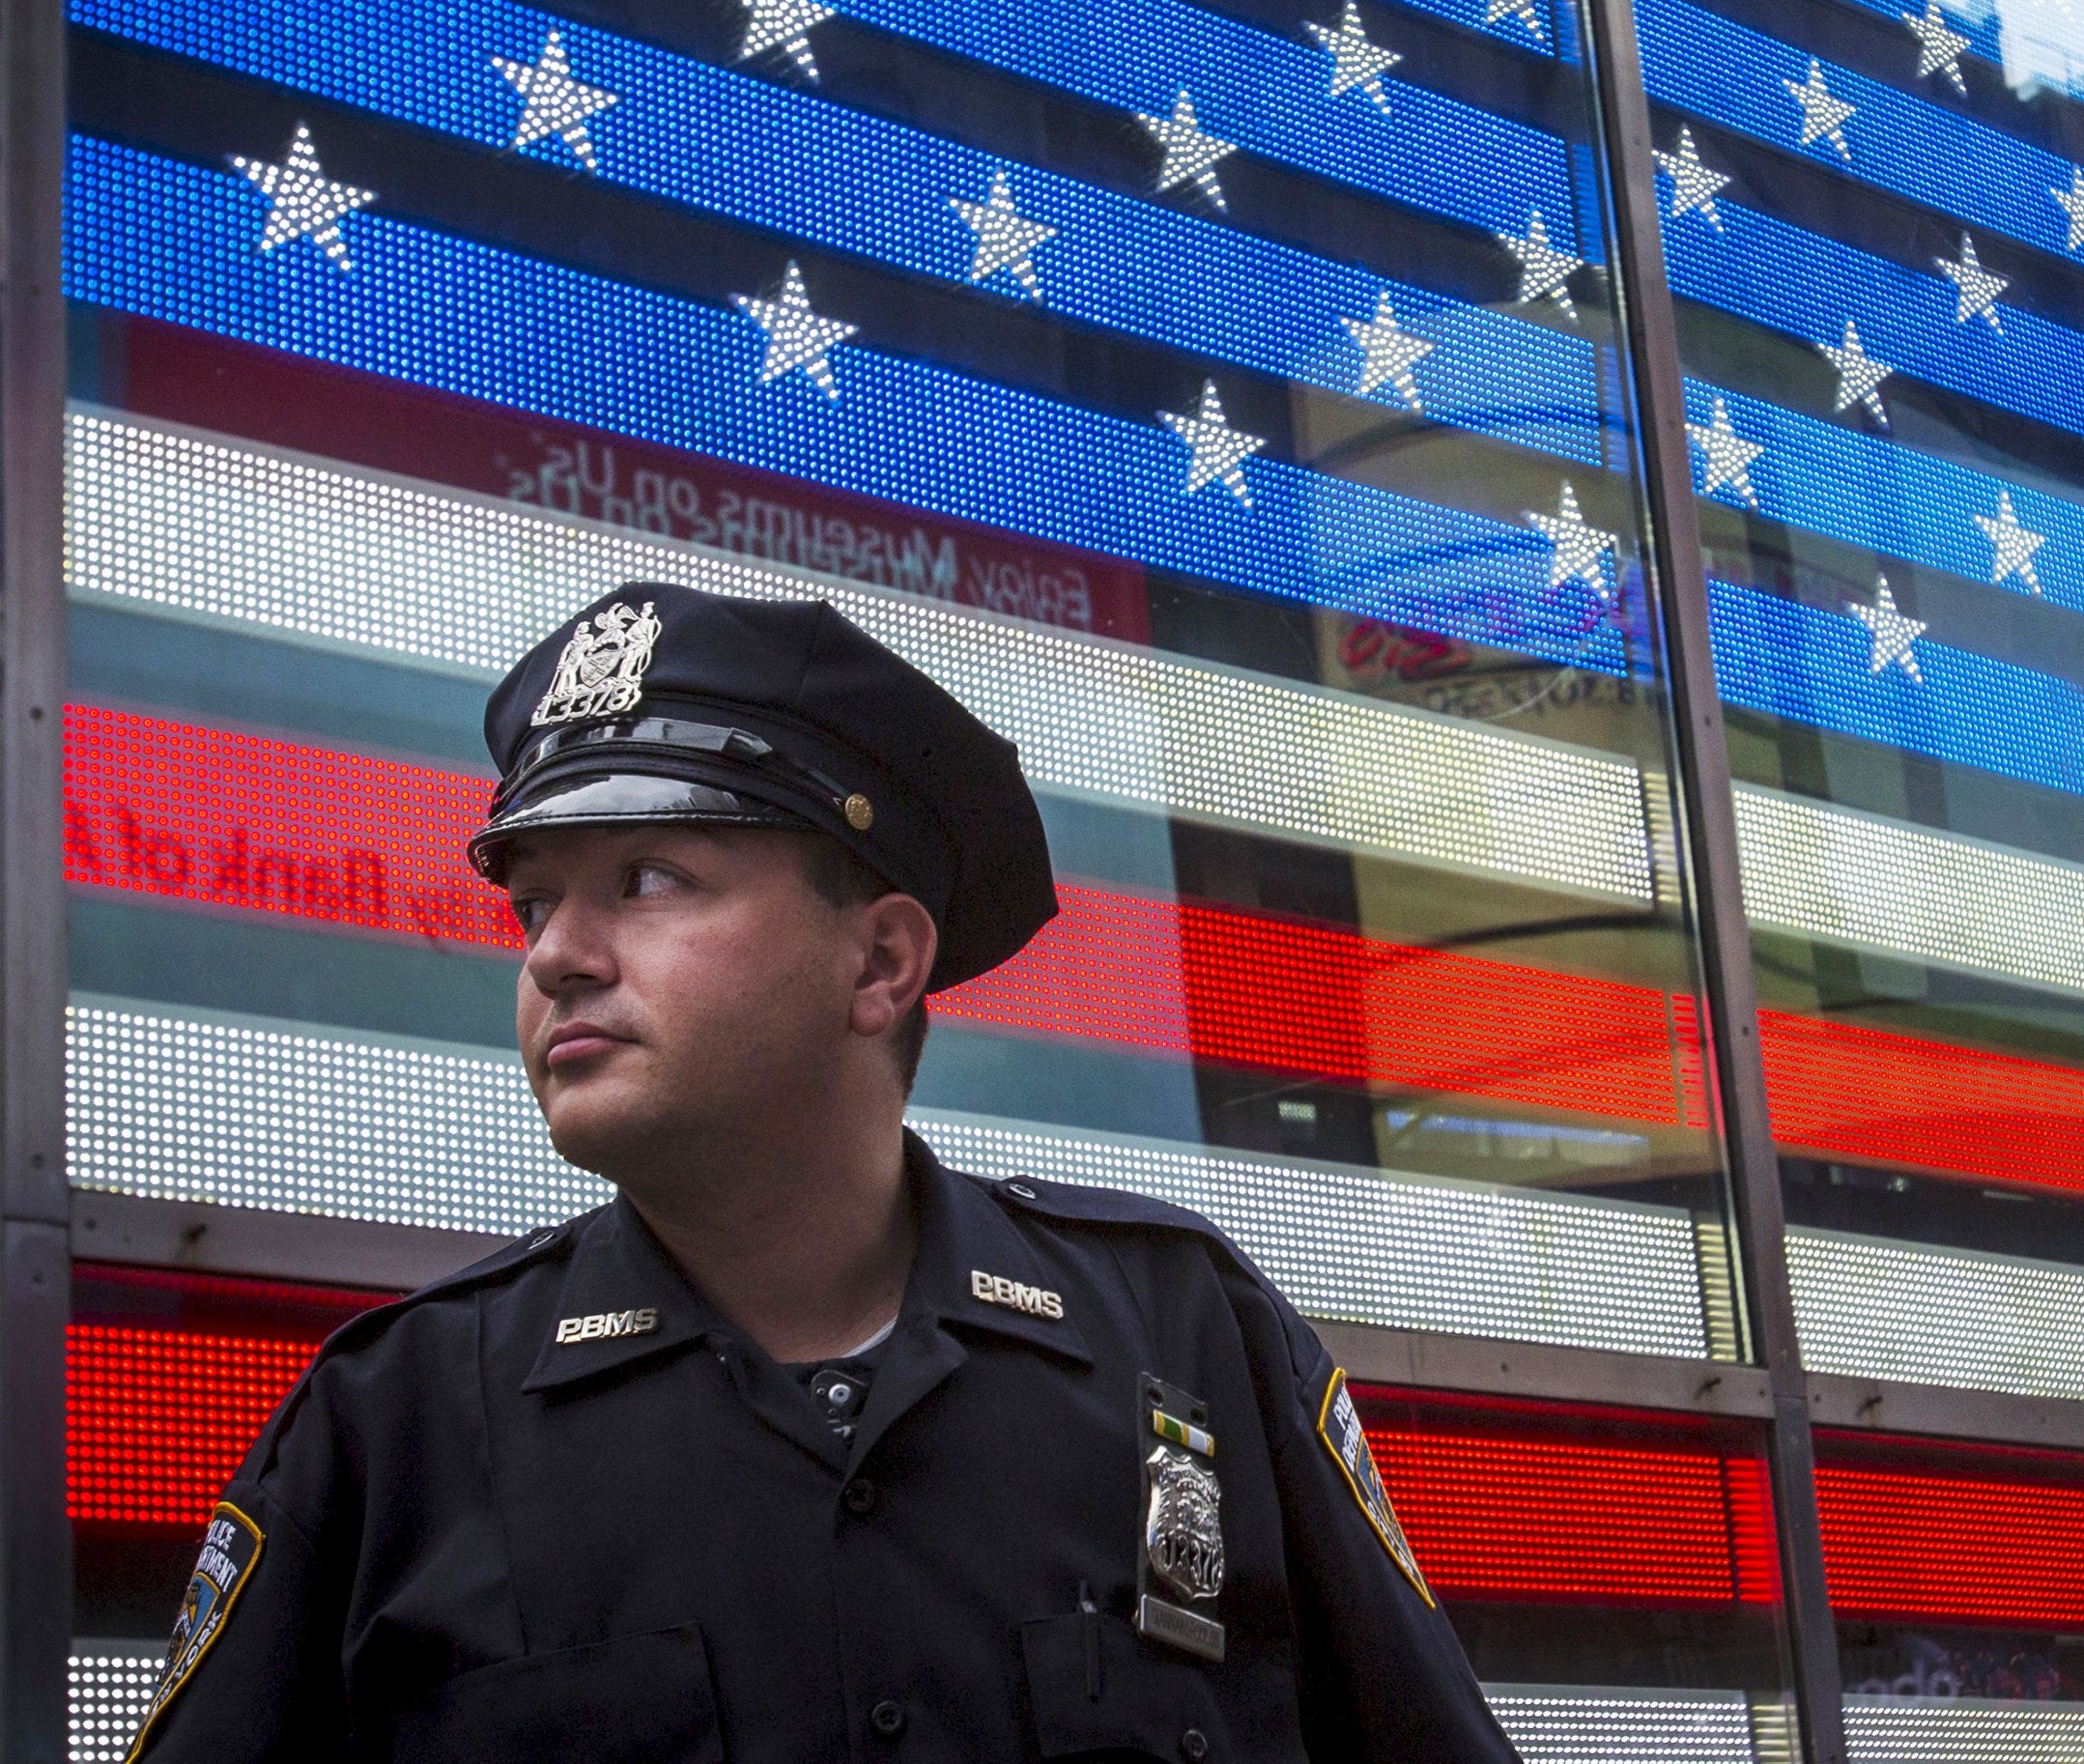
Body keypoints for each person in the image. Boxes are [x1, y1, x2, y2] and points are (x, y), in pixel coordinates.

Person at [123, 583, 1523, 1763]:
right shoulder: (397, 1424)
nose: (556, 952)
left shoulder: (1181, 1338)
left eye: (652, 876)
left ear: (881, 959)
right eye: (538, 897)